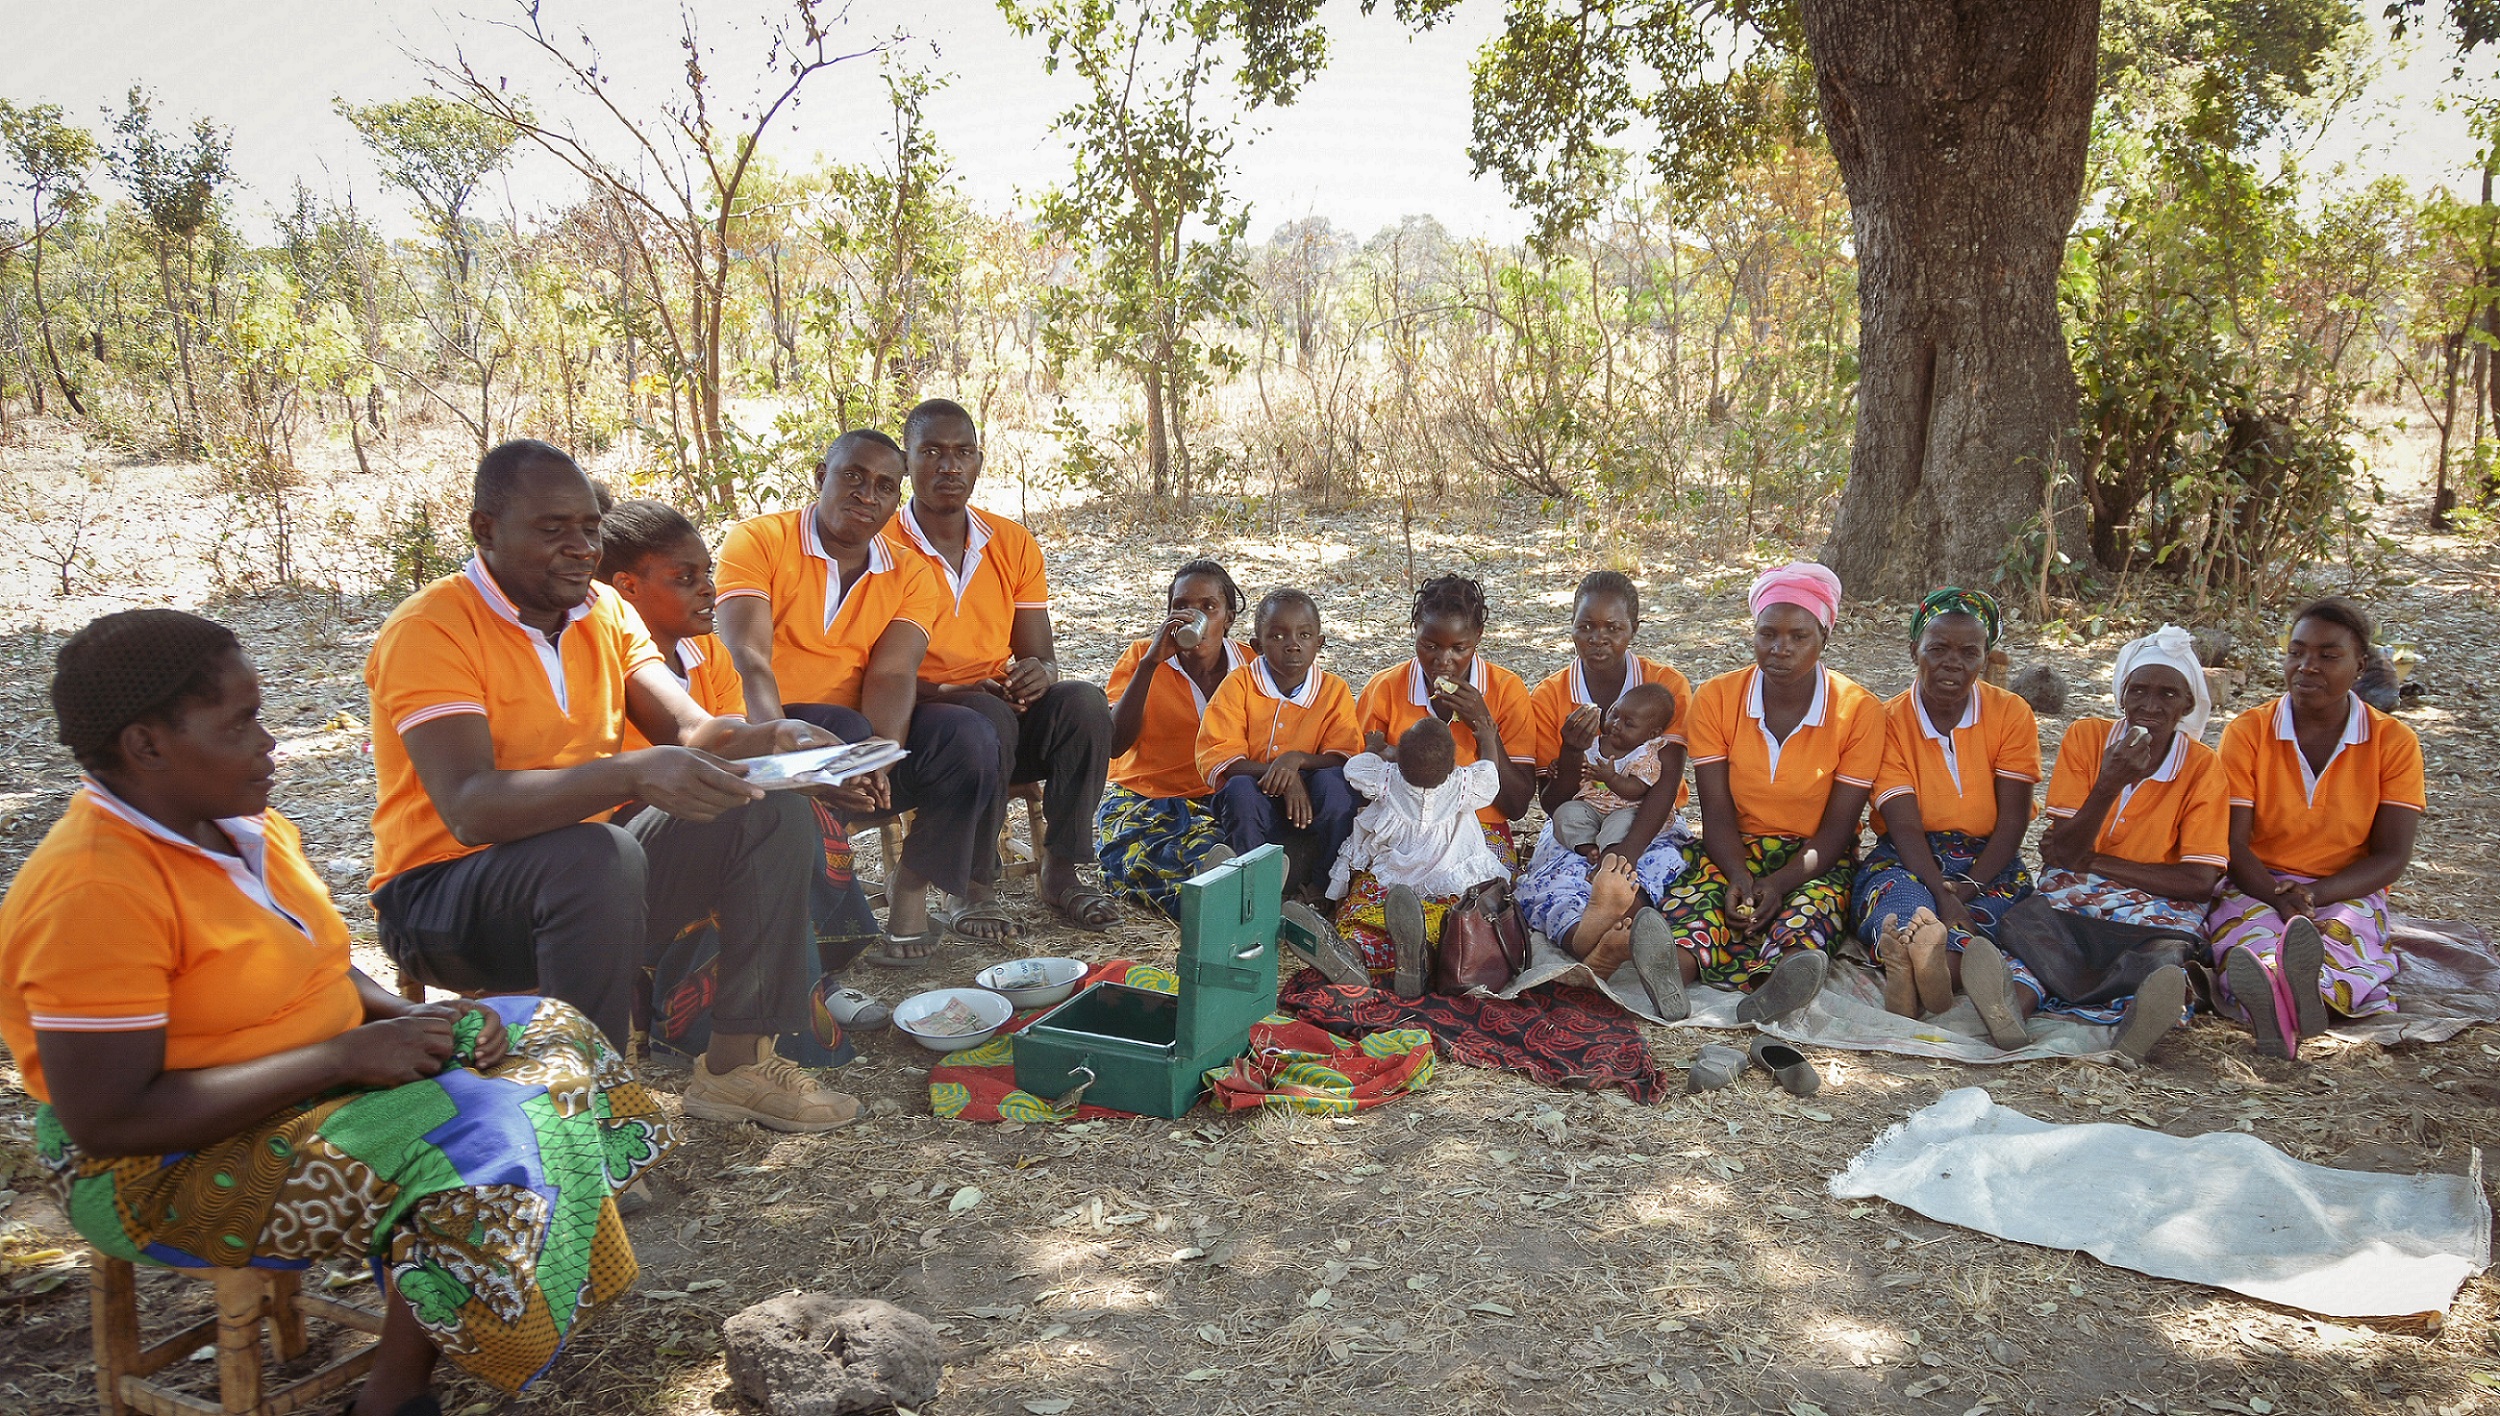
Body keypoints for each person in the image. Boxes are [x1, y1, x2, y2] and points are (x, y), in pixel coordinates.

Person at [7, 610, 672, 1416]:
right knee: (485, 1136)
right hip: (155, 1169)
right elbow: (110, 1122)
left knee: (550, 1030)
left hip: (292, 1091)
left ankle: (490, 1302)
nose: (270, 742)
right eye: (242, 722)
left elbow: (315, 968)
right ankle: (391, 1398)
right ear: (146, 747)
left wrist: (406, 1021)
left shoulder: (244, 828)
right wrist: (342, 1060)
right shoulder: (92, 890)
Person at [366, 439, 861, 1133]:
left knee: (765, 806)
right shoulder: (431, 629)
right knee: (597, 855)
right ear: (485, 530)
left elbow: (691, 730)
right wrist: (630, 772)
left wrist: (773, 740)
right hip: (444, 900)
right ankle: (585, 1117)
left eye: (590, 529)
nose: (581, 548)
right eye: (552, 529)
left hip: (593, 880)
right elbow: (471, 808)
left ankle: (737, 1066)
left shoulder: (602, 610)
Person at [596, 499, 888, 1038]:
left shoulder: (708, 655)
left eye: (707, 574)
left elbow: (732, 751)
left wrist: (819, 774)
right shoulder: (602, 664)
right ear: (626, 588)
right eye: (686, 578)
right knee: (769, 818)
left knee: (799, 810)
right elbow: (681, 760)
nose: (709, 589)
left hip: (705, 805)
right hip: (633, 830)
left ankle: (813, 975)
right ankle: (725, 1008)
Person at [714, 429, 1005, 964]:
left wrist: (879, 757)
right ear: (821, 477)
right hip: (767, 721)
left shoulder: (909, 570)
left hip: (852, 727)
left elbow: (893, 674)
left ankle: (910, 892)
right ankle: (816, 935)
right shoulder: (759, 541)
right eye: (853, 477)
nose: (867, 495)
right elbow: (746, 656)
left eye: (885, 487)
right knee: (839, 730)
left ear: (898, 500)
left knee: (972, 738)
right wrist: (783, 749)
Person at [881, 398, 1119, 934]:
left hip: (998, 718)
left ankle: (1060, 869)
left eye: (963, 452)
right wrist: (952, 687)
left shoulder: (1009, 541)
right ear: (907, 460)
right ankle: (971, 886)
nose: (949, 466)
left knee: (1083, 703)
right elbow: (875, 674)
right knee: (986, 715)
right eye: (933, 451)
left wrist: (1042, 674)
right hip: (926, 720)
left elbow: (1041, 653)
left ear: (980, 462)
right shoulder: (882, 545)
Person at [1653, 563, 1878, 1024]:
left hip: (1817, 857)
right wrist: (1738, 875)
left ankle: (1771, 988)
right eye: (1768, 634)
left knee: (1808, 916)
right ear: (1753, 634)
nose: (1781, 649)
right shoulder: (1718, 698)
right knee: (1701, 904)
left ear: (1824, 637)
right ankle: (1671, 974)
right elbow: (1715, 810)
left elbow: (1837, 830)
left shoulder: (1857, 711)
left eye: (1799, 636)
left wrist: (1777, 885)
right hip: (1735, 845)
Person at [2207, 598, 2425, 1059]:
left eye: (2329, 655)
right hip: (2255, 882)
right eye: (2296, 652)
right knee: (2248, 944)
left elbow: (2391, 857)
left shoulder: (2393, 743)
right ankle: (2279, 993)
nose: (2307, 667)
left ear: (2360, 665)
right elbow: (2232, 842)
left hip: (2345, 890)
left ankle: (2295, 999)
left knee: (2345, 941)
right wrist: (2276, 895)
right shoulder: (2248, 732)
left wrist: (2314, 897)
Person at [2011, 626, 2217, 1060]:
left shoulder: (2202, 767)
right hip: (2077, 893)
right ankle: (2010, 1012)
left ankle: (2138, 1025)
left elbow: (2199, 880)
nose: (2150, 705)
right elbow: (2064, 856)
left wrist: (2097, 862)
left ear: (2187, 705)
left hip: (2157, 905)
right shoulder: (2087, 739)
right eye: (2138, 690)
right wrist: (2108, 784)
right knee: (2033, 936)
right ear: (2121, 695)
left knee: (2164, 957)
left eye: (2167, 694)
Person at [1853, 588, 2042, 1029]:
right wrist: (1942, 893)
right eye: (1937, 648)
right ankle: (1914, 967)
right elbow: (1903, 825)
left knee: (1986, 921)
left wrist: (1971, 887)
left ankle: (1921, 982)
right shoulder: (1887, 720)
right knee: (1899, 902)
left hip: (1988, 860)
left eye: (1968, 651)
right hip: (1908, 855)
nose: (1952, 662)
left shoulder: (2011, 714)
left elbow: (2014, 819)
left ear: (1986, 658)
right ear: (1913, 649)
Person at [1098, 560, 1252, 917]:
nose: (1192, 616)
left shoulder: (1251, 664)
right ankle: (1224, 901)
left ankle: (1228, 894)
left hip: (1221, 799)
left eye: (1208, 607)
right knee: (1141, 858)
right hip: (1146, 798)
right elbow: (1115, 743)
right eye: (1181, 606)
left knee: (1218, 845)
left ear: (1227, 618)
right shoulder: (1142, 657)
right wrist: (1151, 664)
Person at [1327, 717, 1514, 997]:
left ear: (1398, 760)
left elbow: (1355, 768)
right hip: (1448, 884)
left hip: (1392, 881)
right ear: (1453, 765)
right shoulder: (1463, 786)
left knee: (1367, 910)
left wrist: (1376, 748)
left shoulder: (1387, 779)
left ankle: (1354, 952)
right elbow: (1489, 776)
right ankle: (1422, 958)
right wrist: (1487, 739)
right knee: (1446, 924)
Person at [1353, 573, 1538, 857]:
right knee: (1373, 894)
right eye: (1430, 646)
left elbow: (1516, 806)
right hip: (1401, 827)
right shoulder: (1384, 689)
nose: (1443, 661)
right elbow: (1359, 780)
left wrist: (1482, 724)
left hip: (1480, 828)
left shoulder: (1506, 691)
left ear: (1478, 637)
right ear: (1415, 630)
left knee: (1475, 894)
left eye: (1459, 648)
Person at [1194, 587, 1362, 900]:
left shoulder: (1332, 690)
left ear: (1319, 643)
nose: (1293, 645)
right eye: (1278, 636)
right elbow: (1220, 758)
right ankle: (1251, 893)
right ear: (1257, 645)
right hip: (1258, 795)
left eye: (1305, 635)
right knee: (1239, 790)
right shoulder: (1240, 684)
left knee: (1337, 786)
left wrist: (1296, 761)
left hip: (1310, 805)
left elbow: (1346, 756)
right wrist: (1284, 778)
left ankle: (1322, 890)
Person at [1549, 681, 1678, 861]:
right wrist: (1561, 765)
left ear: (1652, 734)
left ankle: (1609, 856)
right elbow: (1578, 770)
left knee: (1621, 826)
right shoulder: (1594, 743)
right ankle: (1589, 848)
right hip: (1591, 807)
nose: (1617, 724)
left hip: (1625, 810)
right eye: (1614, 714)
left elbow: (1636, 790)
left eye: (1629, 724)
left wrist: (1610, 778)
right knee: (1565, 814)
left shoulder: (1646, 756)